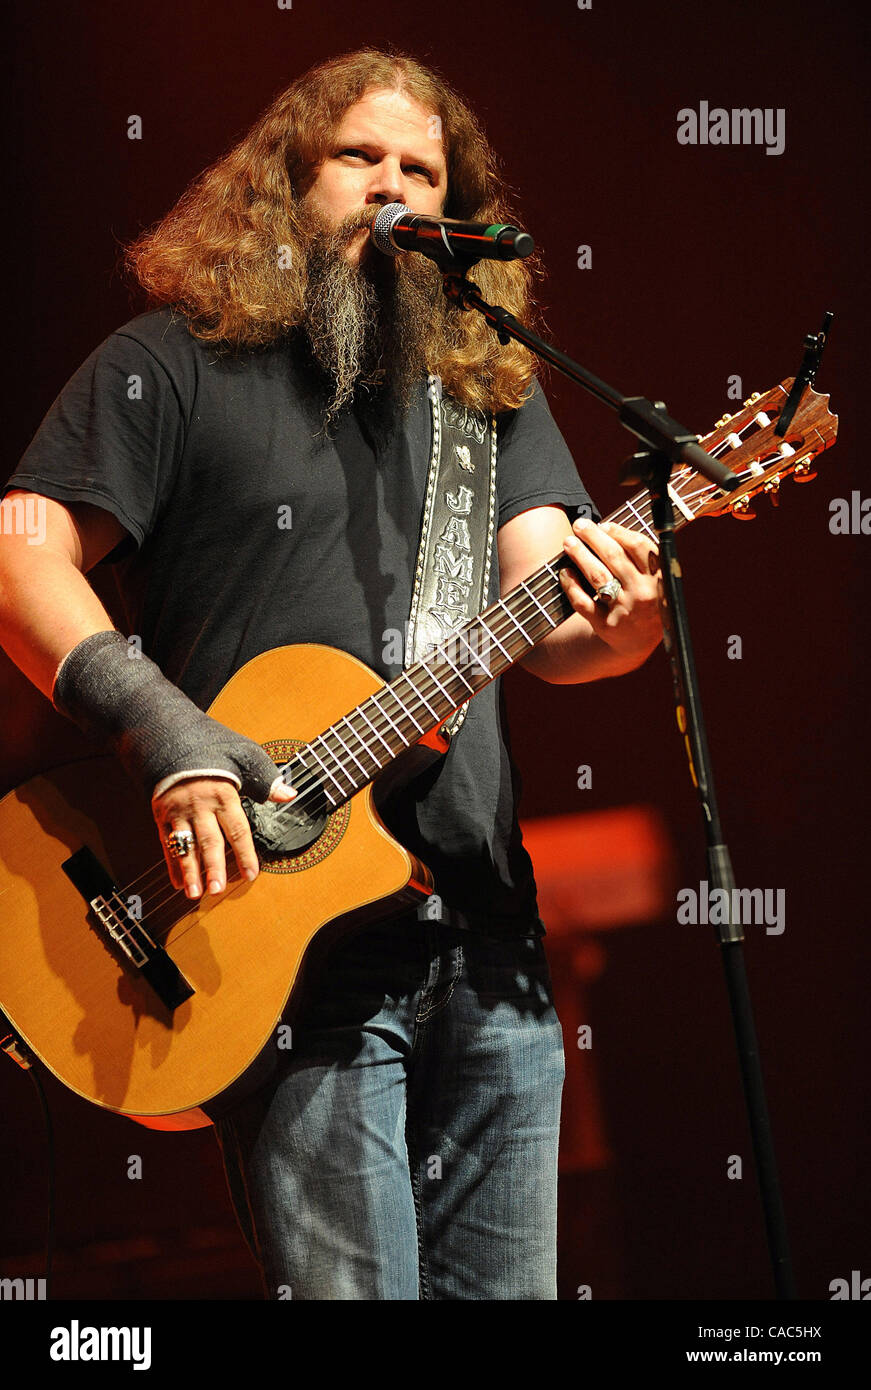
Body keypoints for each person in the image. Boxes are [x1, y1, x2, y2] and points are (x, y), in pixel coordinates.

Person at [0, 47, 662, 1300]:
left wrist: (626, 621)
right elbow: (19, 555)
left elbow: (560, 624)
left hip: (481, 935)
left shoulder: (487, 394)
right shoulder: (169, 366)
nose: (395, 186)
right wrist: (167, 732)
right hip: (273, 935)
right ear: (285, 181)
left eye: (424, 169)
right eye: (363, 158)